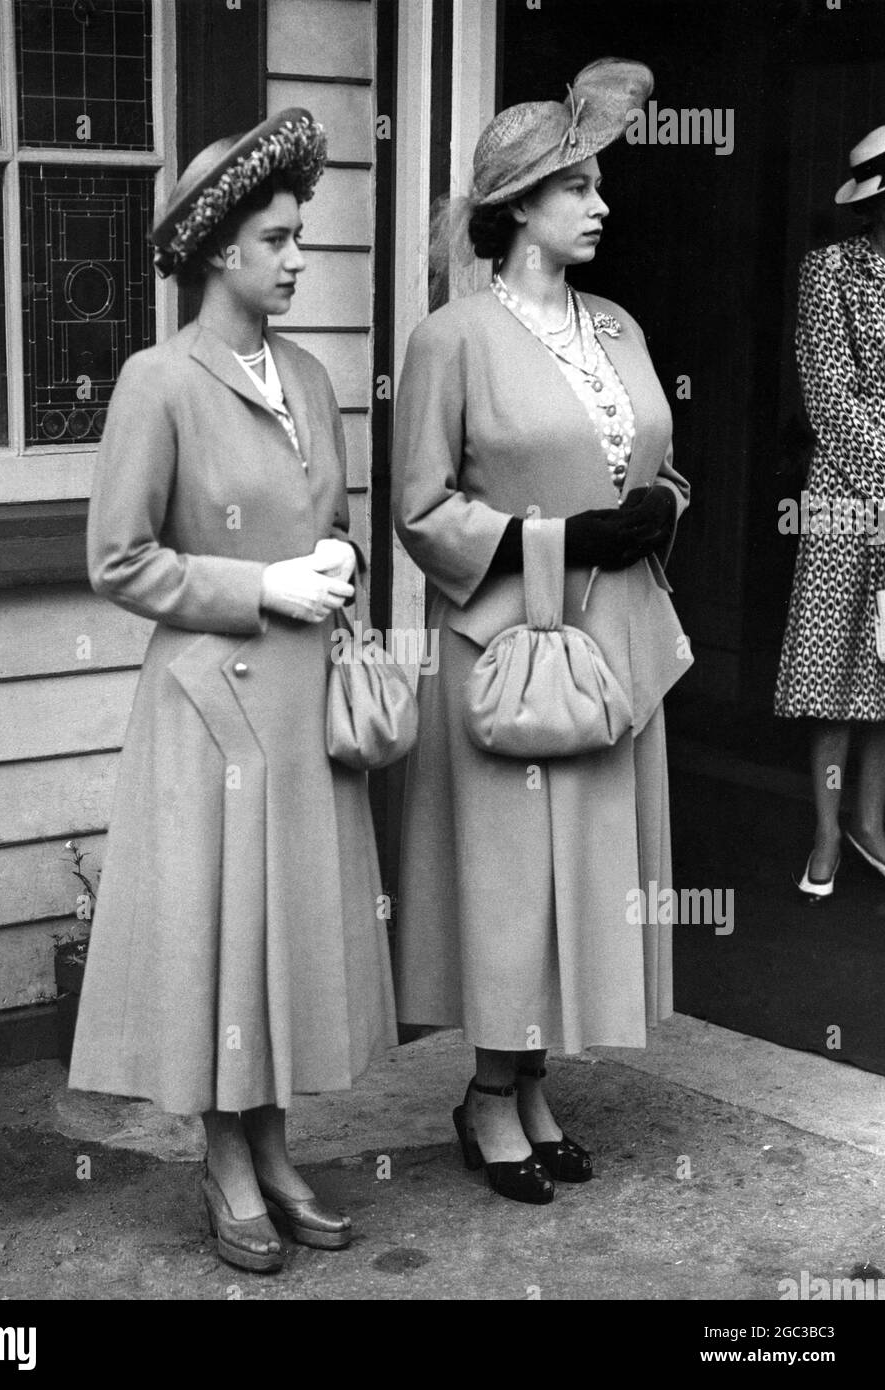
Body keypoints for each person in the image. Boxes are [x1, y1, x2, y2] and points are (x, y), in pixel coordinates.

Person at [68, 110, 397, 1273]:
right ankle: (223, 1160)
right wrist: (261, 582)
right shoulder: (157, 381)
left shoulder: (308, 372)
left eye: (301, 235)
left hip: (301, 709)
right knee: (222, 939)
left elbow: (336, 525)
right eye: (277, 237)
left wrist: (341, 563)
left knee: (282, 938)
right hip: (211, 710)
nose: (299, 257)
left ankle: (274, 1146)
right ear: (220, 252)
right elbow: (119, 559)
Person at [392, 60, 692, 1205]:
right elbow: (422, 512)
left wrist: (664, 509)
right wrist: (564, 537)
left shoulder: (617, 323)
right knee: (514, 881)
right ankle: (485, 1092)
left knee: (583, 877)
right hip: (509, 647)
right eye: (579, 187)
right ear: (518, 204)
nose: (602, 205)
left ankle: (529, 1088)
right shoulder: (453, 339)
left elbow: (649, 466)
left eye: (599, 185)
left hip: (612, 646)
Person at [775, 124, 885, 901]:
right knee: (835, 664)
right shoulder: (831, 271)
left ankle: (870, 823)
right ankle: (825, 827)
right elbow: (829, 394)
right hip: (848, 496)